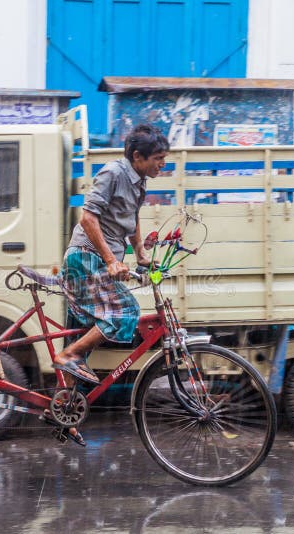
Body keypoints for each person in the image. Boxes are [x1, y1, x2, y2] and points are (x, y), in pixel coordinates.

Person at [55, 125, 169, 384]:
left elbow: (132, 216)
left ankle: (64, 411)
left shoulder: (139, 182)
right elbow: (87, 218)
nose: (163, 164)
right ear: (138, 156)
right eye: (158, 158)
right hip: (85, 259)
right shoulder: (114, 173)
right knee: (125, 312)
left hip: (94, 263)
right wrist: (111, 261)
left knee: (81, 340)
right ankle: (69, 355)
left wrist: (140, 253)